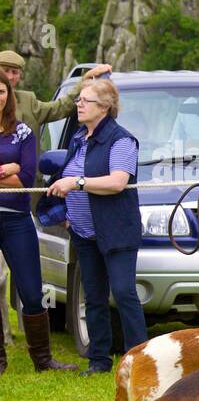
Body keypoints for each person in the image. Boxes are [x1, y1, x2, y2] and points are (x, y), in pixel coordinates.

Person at [44, 79, 146, 375]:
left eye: (85, 101)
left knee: (125, 292)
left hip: (116, 231)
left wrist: (76, 183)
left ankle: (140, 360)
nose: (78, 104)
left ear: (104, 107)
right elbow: (67, 176)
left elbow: (117, 182)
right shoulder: (79, 136)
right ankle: (99, 360)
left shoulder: (122, 140)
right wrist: (65, 213)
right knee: (94, 296)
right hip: (83, 232)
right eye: (78, 100)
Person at [0, 72, 78, 374]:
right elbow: (15, 174)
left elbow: (25, 178)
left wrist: (16, 170)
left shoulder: (23, 133)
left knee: (32, 292)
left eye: (3, 91)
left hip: (17, 220)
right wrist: (8, 167)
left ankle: (43, 361)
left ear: (10, 95)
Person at [0, 50, 113, 145]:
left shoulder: (27, 101)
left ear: (20, 75)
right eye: (5, 71)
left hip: (26, 171)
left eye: (15, 72)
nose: (10, 76)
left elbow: (60, 108)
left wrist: (85, 80)